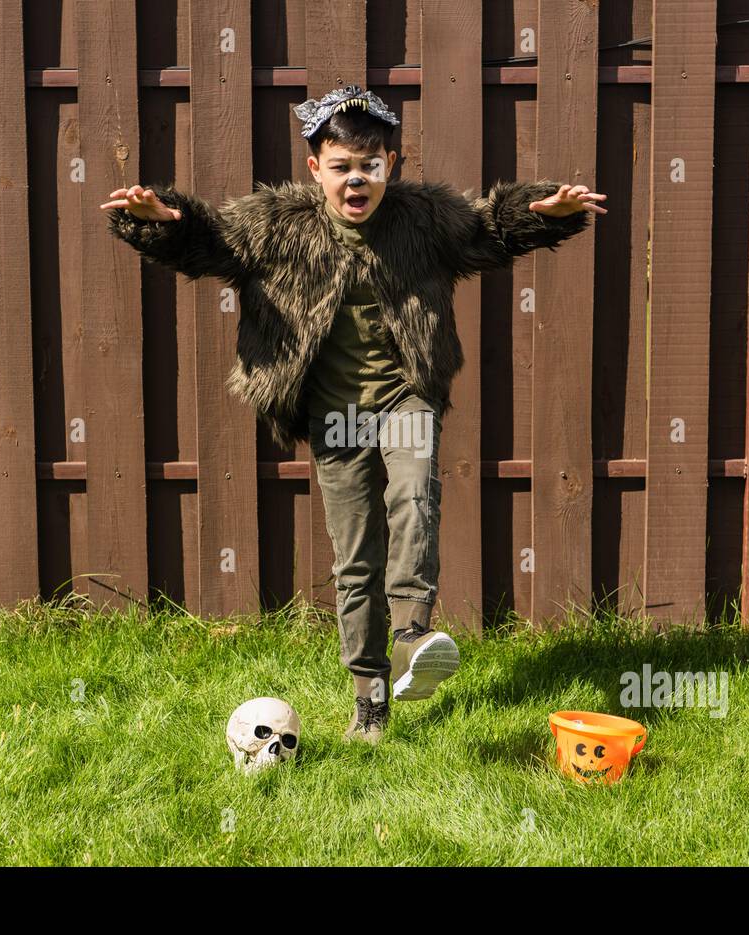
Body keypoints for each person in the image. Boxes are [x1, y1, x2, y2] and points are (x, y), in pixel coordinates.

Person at [101, 84, 605, 744]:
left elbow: (490, 229)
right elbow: (209, 243)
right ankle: (370, 701)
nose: (356, 180)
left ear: (392, 163)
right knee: (355, 562)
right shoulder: (278, 225)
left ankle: (411, 636)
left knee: (414, 502)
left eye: (370, 165)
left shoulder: (425, 220)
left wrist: (544, 212)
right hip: (334, 415)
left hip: (405, 397)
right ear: (317, 170)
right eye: (342, 167)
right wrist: (162, 219)